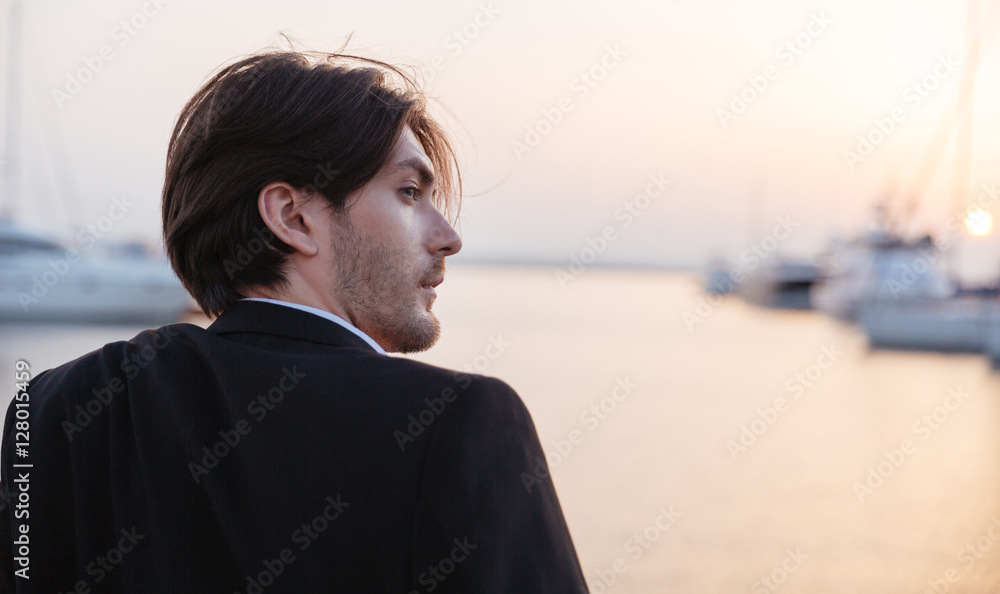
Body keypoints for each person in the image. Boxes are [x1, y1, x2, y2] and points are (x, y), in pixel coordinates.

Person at [0, 50, 587, 592]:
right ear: (293, 217)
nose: (448, 237)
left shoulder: (53, 407)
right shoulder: (464, 423)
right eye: (410, 191)